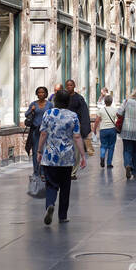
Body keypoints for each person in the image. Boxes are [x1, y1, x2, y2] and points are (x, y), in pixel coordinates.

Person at [38, 90, 85, 224]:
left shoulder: (48, 113)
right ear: (68, 102)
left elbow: (43, 134)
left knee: (51, 185)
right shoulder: (73, 116)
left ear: (55, 101)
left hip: (50, 156)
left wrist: (39, 151)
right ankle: (62, 215)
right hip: (66, 157)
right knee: (65, 186)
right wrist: (82, 155)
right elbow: (77, 136)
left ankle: (50, 205)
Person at [64, 79, 91, 177]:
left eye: (71, 85)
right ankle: (66, 170)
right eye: (67, 85)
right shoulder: (64, 98)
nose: (69, 87)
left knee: (75, 151)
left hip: (75, 128)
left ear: (74, 86)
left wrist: (84, 128)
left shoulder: (79, 99)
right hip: (64, 128)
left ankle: (73, 172)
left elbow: (84, 114)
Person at [24, 86, 50, 175]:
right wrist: (31, 110)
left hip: (46, 132)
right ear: (36, 94)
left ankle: (43, 171)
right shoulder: (33, 104)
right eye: (39, 92)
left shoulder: (49, 104)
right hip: (35, 131)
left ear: (46, 94)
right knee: (35, 151)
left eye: (42, 92)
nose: (41, 94)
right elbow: (26, 114)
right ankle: (36, 171)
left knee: (44, 150)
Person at [96, 91, 119, 168]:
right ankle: (109, 163)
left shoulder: (101, 110)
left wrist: (94, 129)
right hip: (112, 129)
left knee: (103, 145)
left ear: (105, 102)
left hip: (103, 129)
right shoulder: (115, 110)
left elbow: (97, 120)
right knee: (111, 146)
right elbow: (118, 119)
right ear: (111, 102)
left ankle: (102, 156)